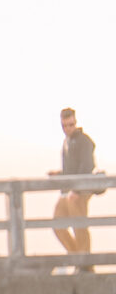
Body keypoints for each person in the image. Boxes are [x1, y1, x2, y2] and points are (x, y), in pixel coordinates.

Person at [50, 107, 99, 255]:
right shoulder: (67, 142)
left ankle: (83, 261)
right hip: (67, 191)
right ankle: (77, 256)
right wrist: (59, 174)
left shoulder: (84, 141)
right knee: (57, 224)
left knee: (79, 226)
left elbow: (87, 166)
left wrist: (77, 190)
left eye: (70, 125)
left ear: (75, 122)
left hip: (79, 192)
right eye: (65, 125)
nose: (68, 128)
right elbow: (72, 168)